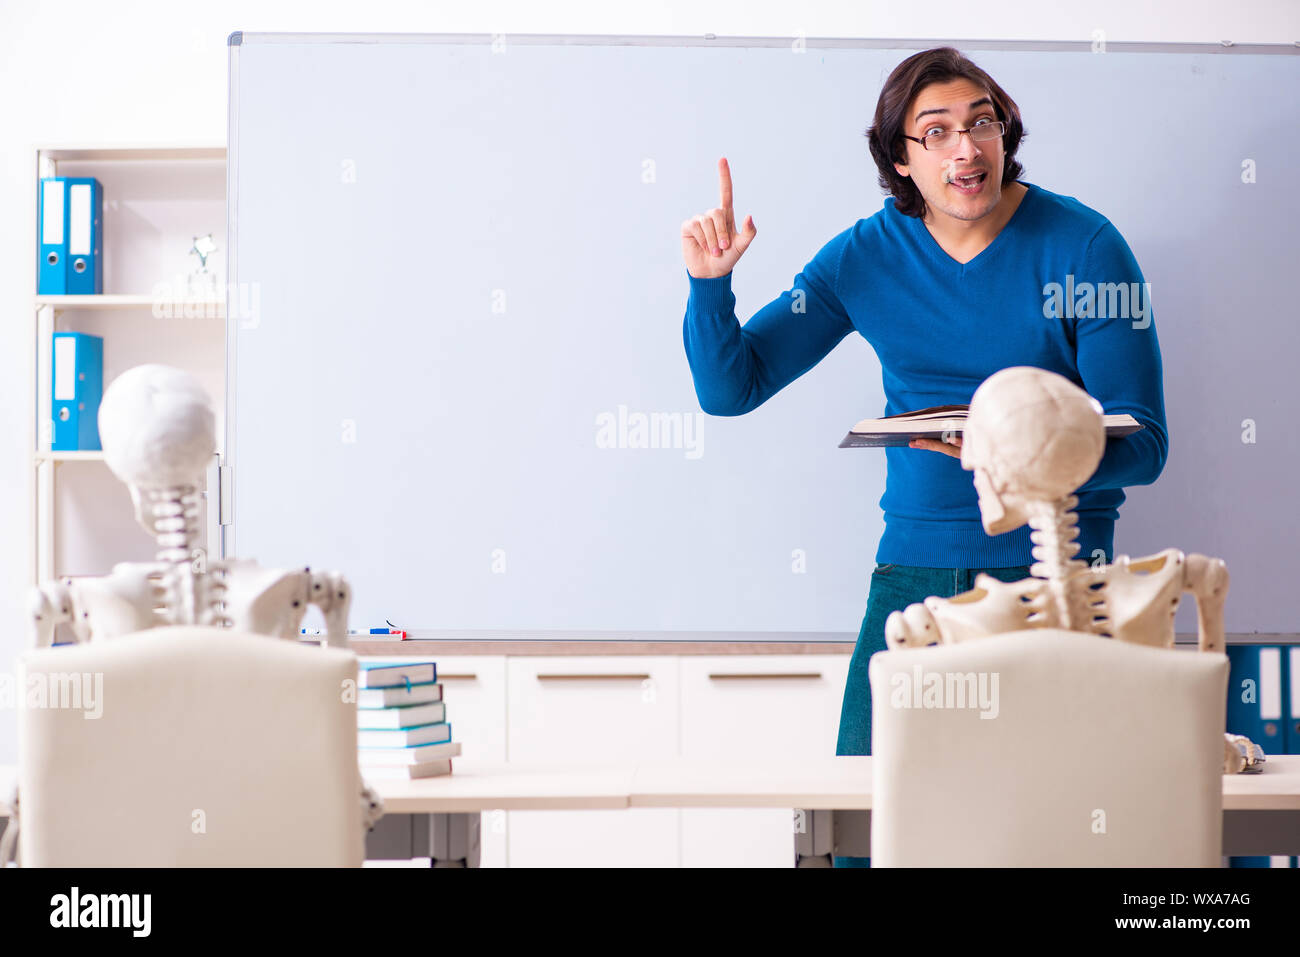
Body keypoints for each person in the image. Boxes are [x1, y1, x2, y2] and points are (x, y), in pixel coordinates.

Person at [679, 47, 1168, 866]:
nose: (964, 149)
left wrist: (1009, 453)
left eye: (981, 122)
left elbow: (1143, 444)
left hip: (1057, 582)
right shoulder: (864, 257)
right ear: (901, 159)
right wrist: (708, 285)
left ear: (1005, 131)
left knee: (1046, 836)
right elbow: (734, 388)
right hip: (913, 585)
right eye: (935, 132)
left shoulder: (1086, 247)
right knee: (868, 832)